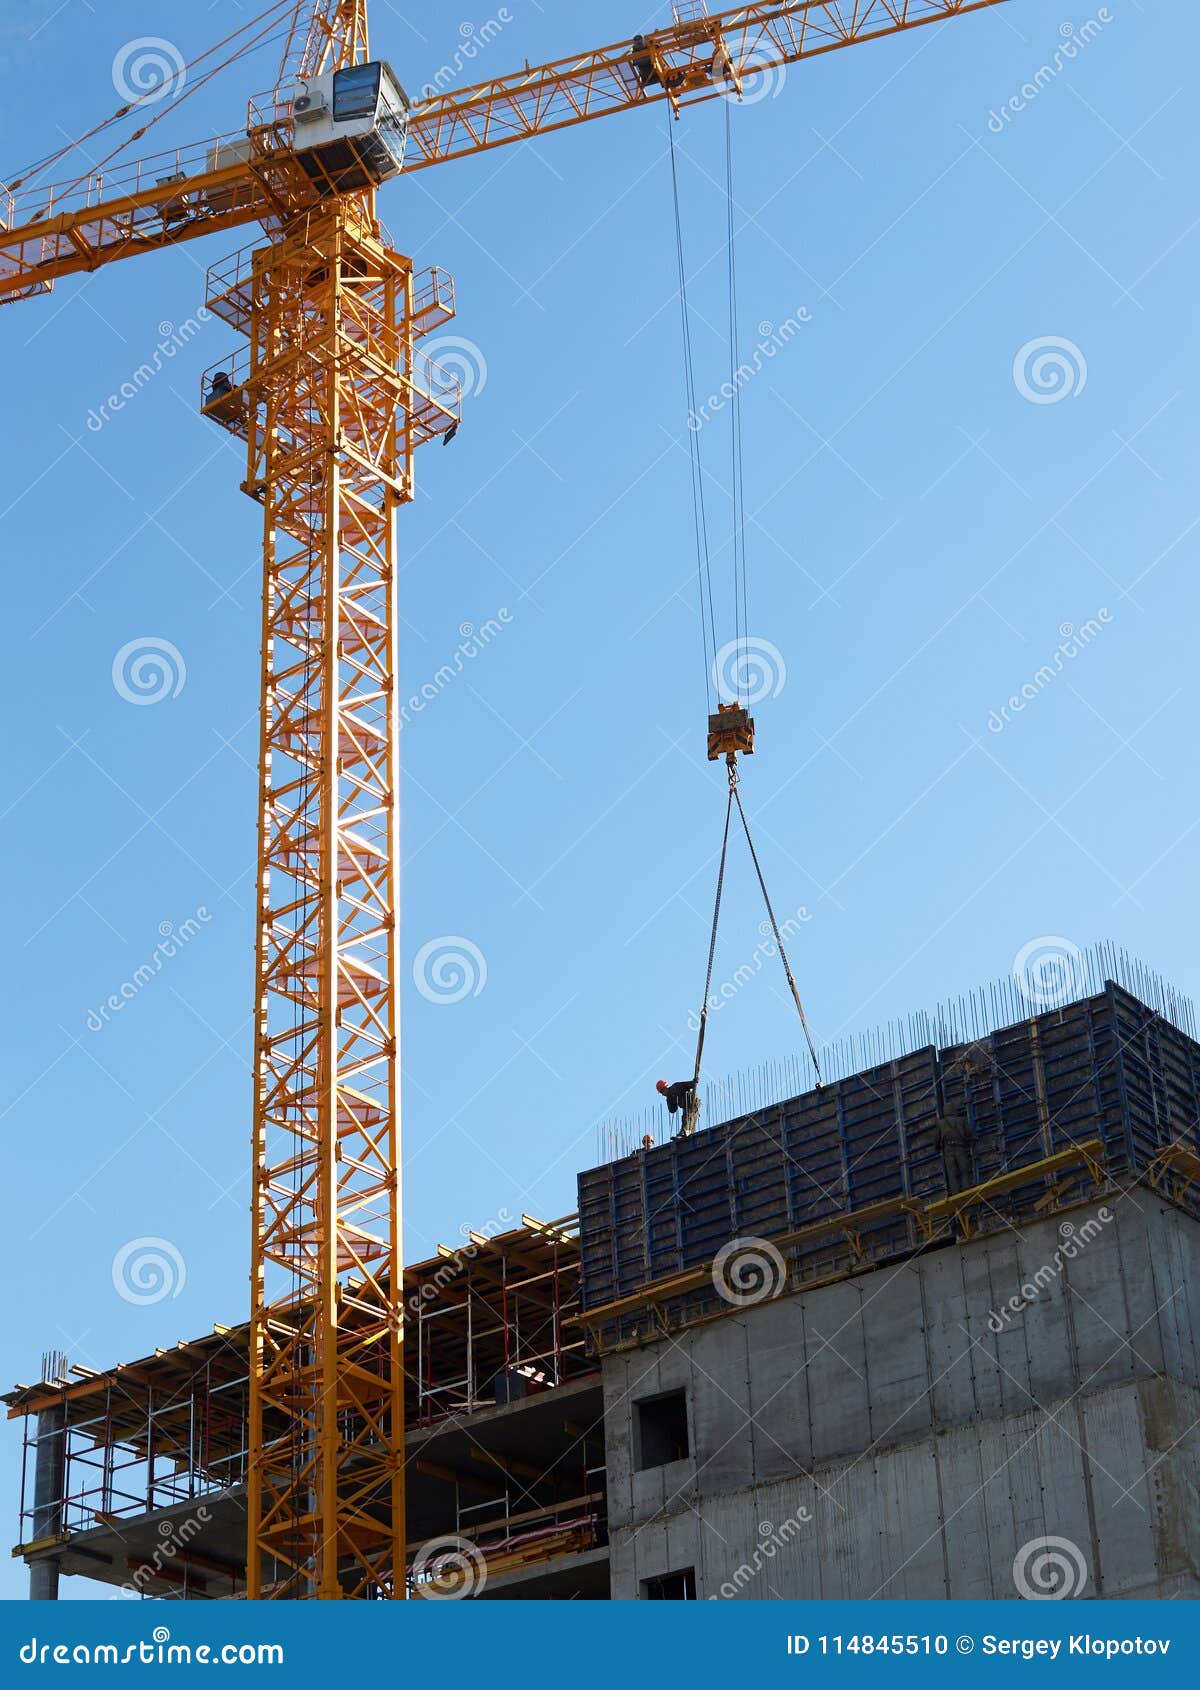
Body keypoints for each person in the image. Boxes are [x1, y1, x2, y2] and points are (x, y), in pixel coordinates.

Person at [935, 1107, 973, 1194]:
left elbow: (937, 1138)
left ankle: (955, 1192)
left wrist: (937, 1147)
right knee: (964, 1170)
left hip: (948, 1150)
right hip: (960, 1147)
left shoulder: (940, 1123)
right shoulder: (961, 1120)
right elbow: (969, 1133)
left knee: (952, 1172)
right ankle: (966, 1188)